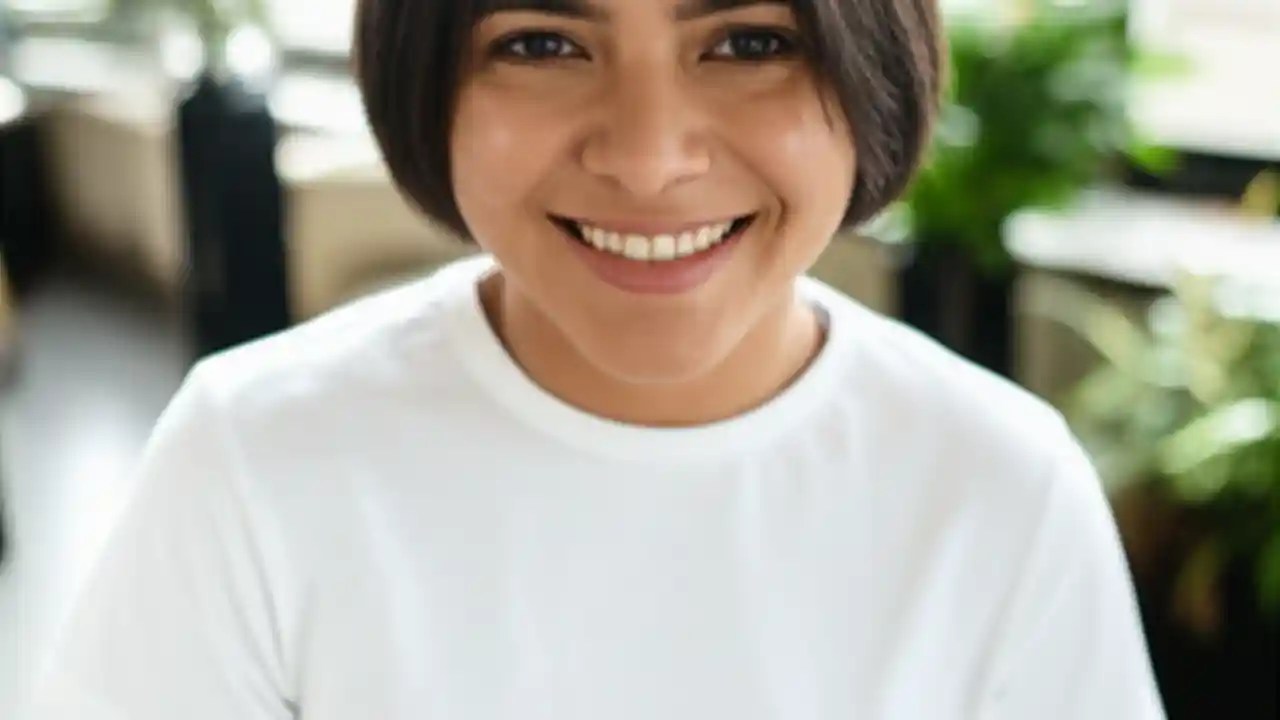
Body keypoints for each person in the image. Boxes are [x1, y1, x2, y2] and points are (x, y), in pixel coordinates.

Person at [29, 0, 1167, 718]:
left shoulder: (999, 487)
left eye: (748, 42)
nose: (647, 158)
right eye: (541, 43)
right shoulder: (254, 455)